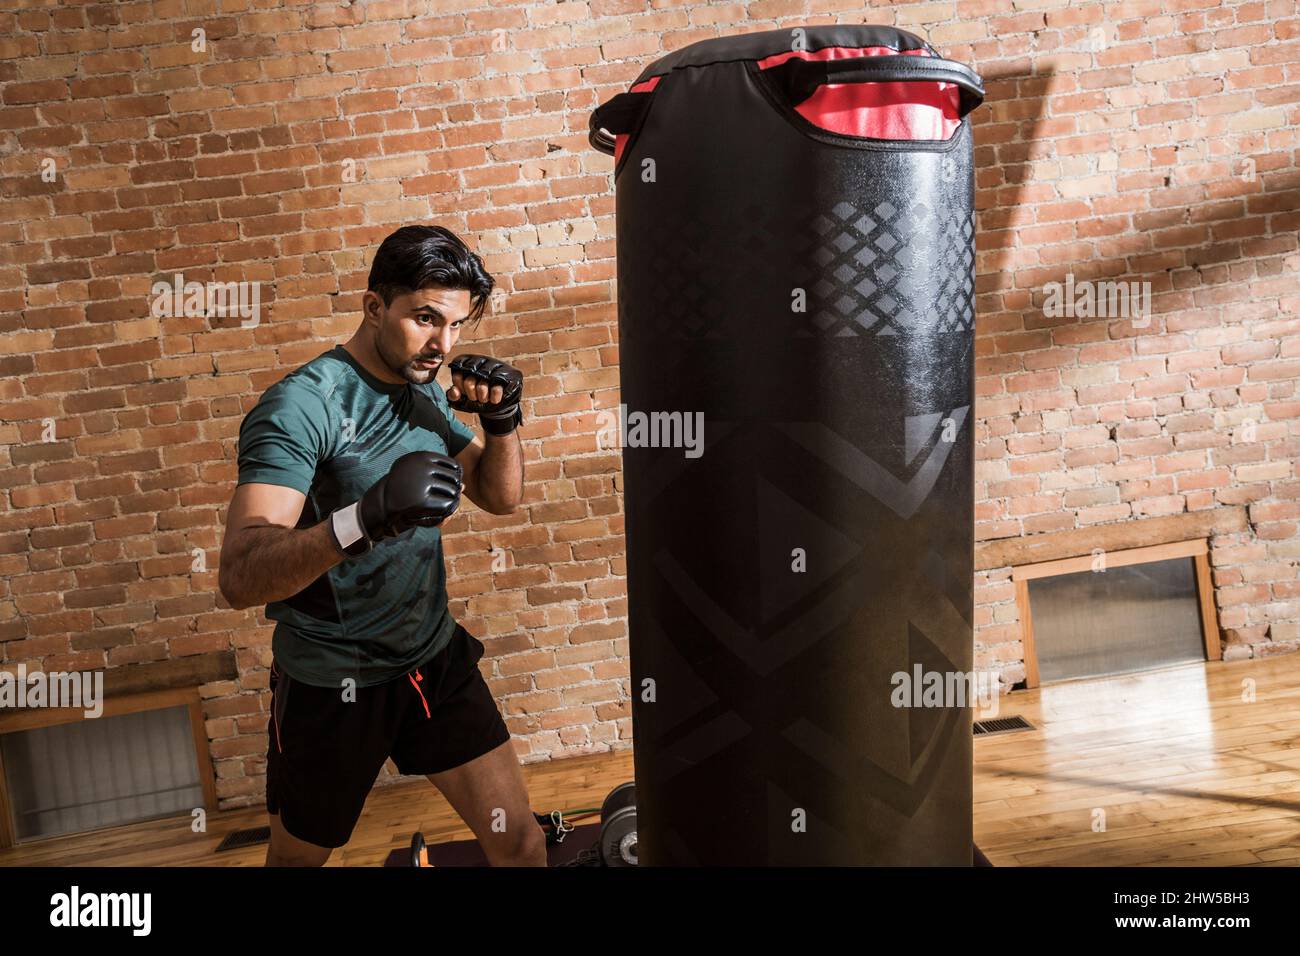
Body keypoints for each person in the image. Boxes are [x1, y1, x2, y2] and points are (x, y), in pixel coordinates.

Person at [218, 225, 545, 866]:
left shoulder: (418, 382)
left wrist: (502, 423)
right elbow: (240, 573)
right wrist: (362, 518)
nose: (442, 345)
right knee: (296, 864)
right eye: (426, 319)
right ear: (374, 307)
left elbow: (497, 494)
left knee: (522, 843)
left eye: (454, 325)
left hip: (432, 657)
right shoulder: (299, 408)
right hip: (333, 682)